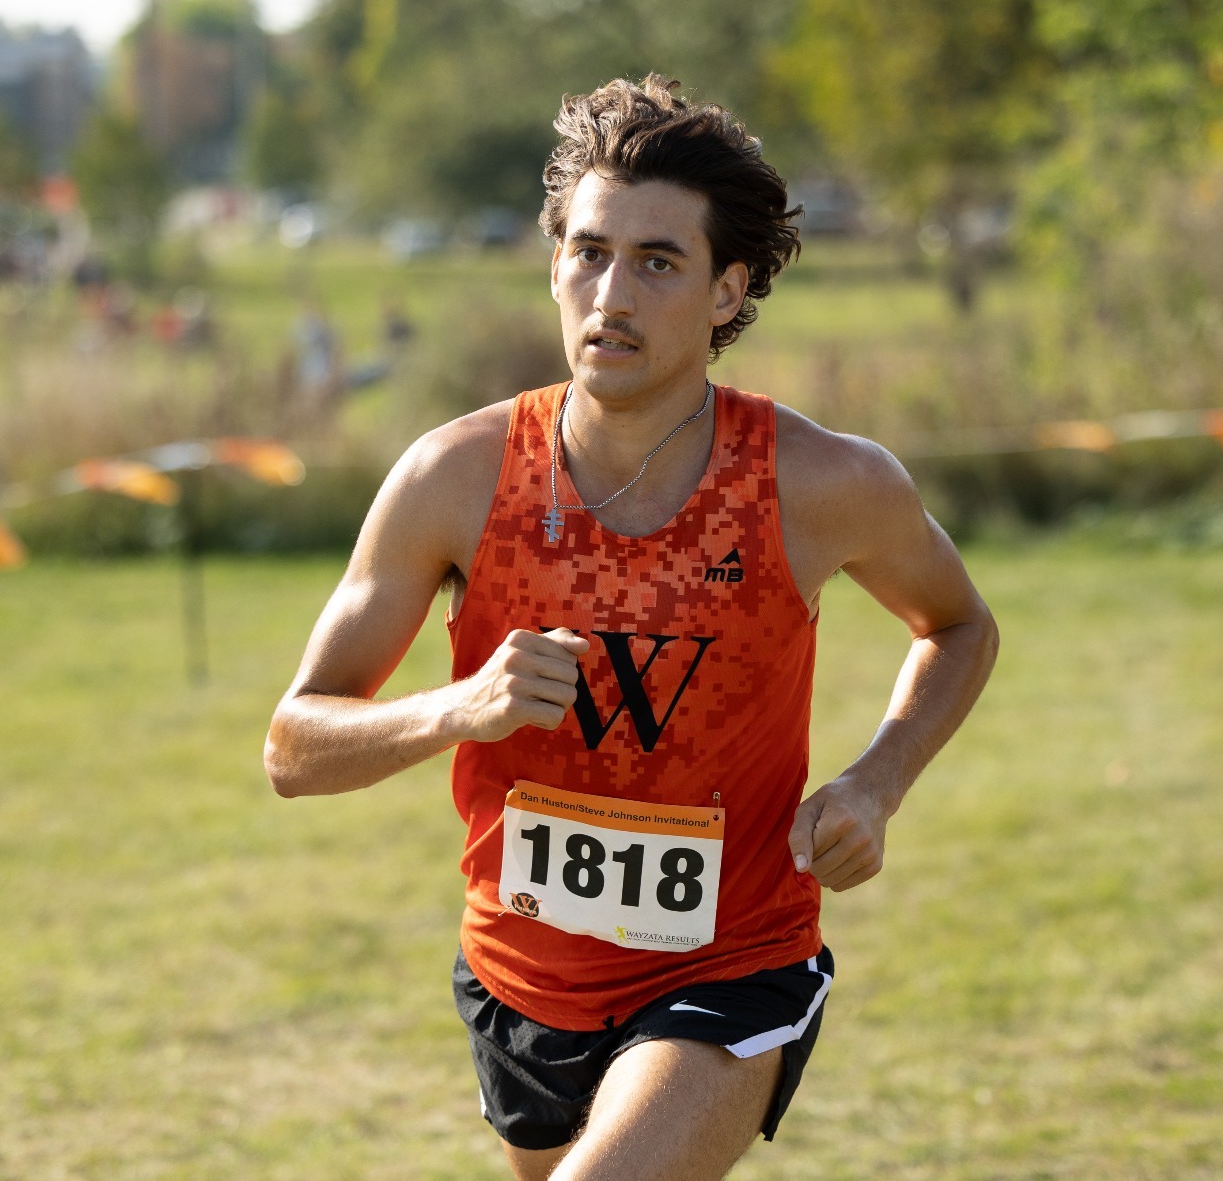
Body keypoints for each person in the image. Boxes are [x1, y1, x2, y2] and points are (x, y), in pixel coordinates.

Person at [264, 75, 998, 1180]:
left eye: (657, 262)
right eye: (590, 252)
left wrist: (875, 782)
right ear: (555, 264)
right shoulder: (454, 477)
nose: (612, 292)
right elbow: (293, 746)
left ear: (725, 290)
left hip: (731, 963)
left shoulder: (818, 481)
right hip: (522, 979)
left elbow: (958, 624)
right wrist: (458, 707)